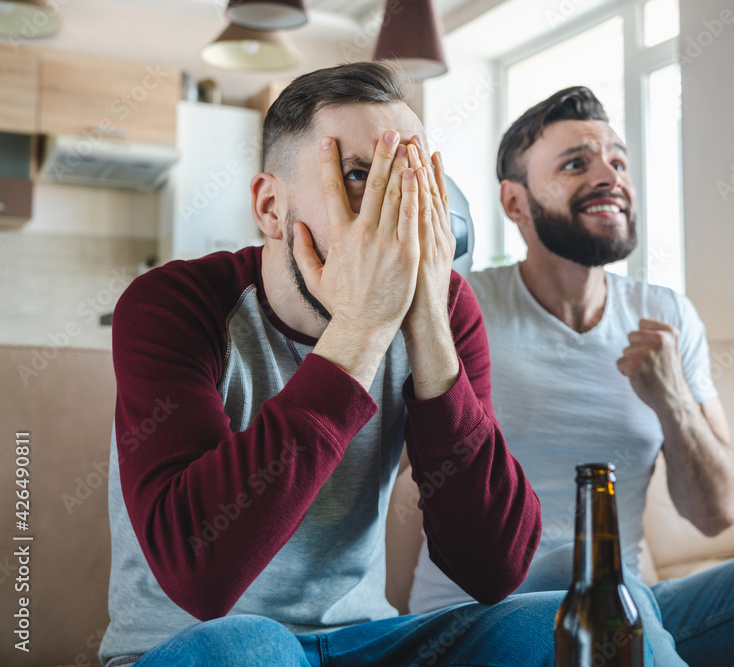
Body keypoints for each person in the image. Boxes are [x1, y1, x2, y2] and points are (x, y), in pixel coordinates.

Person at [98, 62, 564, 667]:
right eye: (356, 177)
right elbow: (199, 577)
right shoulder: (173, 304)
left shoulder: (445, 308)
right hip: (200, 645)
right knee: (249, 646)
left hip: (364, 640)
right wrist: (361, 328)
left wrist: (426, 322)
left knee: (555, 623)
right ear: (270, 208)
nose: (391, 214)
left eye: (410, 181)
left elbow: (494, 568)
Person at [407, 86, 734, 666]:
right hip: (480, 615)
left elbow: (716, 513)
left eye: (619, 161)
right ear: (515, 202)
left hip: (630, 607)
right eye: (576, 163)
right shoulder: (460, 307)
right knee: (607, 589)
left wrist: (672, 399)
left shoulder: (667, 314)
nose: (610, 176)